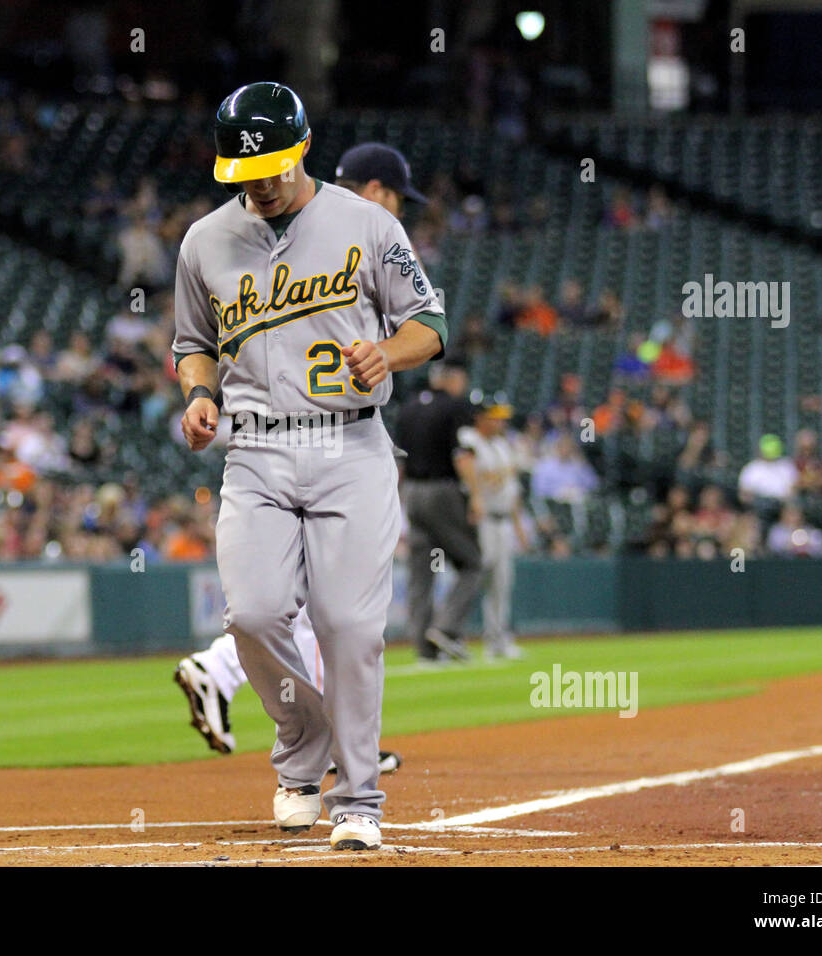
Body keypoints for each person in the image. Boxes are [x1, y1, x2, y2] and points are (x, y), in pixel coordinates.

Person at [172, 84, 445, 851]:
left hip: (350, 444)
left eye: (269, 165)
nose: (257, 181)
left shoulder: (366, 221)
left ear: (301, 146)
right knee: (254, 615)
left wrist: (385, 352)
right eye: (243, 168)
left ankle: (357, 799)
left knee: (350, 624)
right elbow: (192, 341)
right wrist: (198, 394)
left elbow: (431, 323)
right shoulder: (205, 242)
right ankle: (304, 749)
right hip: (255, 447)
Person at [396, 357, 482, 661]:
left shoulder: (407, 408)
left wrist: (399, 502)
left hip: (412, 493)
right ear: (453, 378)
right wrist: (475, 497)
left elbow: (399, 463)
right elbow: (462, 456)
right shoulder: (455, 407)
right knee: (473, 563)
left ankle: (424, 648)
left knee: (420, 574)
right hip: (442, 491)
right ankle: (446, 628)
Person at [457, 399, 527, 659]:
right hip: (480, 520)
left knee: (501, 582)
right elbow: (473, 475)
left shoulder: (501, 444)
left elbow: (512, 489)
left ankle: (497, 639)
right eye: (495, 417)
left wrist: (519, 526)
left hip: (503, 520)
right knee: (472, 578)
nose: (500, 422)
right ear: (481, 417)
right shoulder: (468, 439)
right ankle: (454, 636)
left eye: (502, 417)